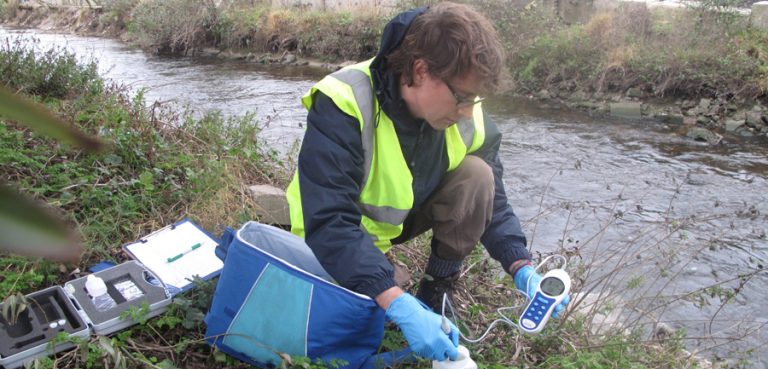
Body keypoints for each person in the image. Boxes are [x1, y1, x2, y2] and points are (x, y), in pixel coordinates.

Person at [286, 2, 568, 362]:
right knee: (361, 315)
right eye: (462, 98)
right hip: (329, 237)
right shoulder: (344, 101)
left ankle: (436, 293)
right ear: (420, 71)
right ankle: (391, 284)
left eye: (474, 99)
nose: (468, 111)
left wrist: (521, 266)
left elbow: (491, 197)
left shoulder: (464, 112)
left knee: (477, 175)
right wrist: (394, 300)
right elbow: (329, 222)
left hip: (400, 218)